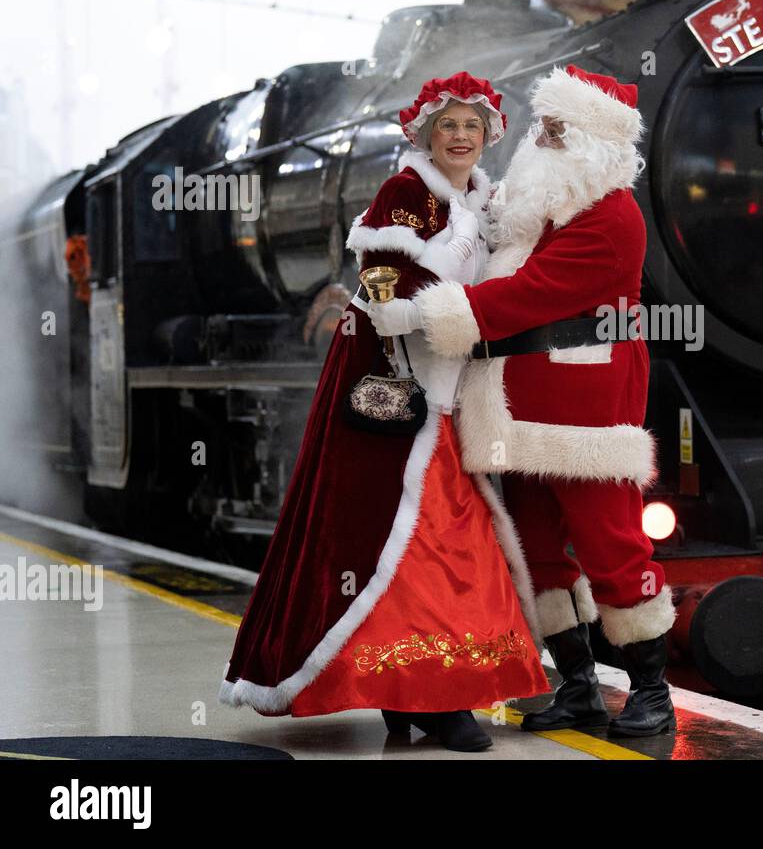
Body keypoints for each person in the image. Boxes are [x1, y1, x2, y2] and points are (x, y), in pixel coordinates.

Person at [219, 72, 551, 752]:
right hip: (397, 383)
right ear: (426, 134)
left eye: (472, 125)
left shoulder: (481, 198)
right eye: (448, 125)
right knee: (417, 541)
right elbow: (380, 282)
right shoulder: (407, 191)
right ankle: (434, 699)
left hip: (449, 386)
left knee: (430, 538)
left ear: (490, 134)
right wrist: (452, 317)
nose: (461, 137)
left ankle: (409, 696)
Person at [370, 64, 675, 737]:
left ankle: (653, 691)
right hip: (517, 412)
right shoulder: (537, 209)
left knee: (614, 547)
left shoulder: (611, 217)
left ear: (597, 140)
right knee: (537, 549)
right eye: (543, 124)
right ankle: (579, 687)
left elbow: (526, 295)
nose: (543, 135)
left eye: (559, 127)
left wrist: (430, 313)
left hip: (586, 415)